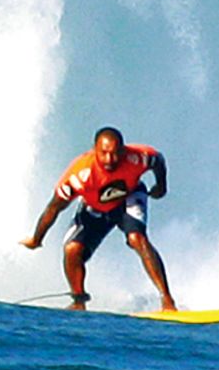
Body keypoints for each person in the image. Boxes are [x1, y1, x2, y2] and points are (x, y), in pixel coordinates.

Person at [24, 124, 176, 311]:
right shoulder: (79, 175)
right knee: (72, 250)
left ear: (123, 149)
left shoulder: (138, 157)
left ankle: (167, 300)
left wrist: (161, 186)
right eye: (103, 153)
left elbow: (158, 161)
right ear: (94, 149)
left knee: (137, 238)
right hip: (95, 206)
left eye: (115, 153)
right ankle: (79, 301)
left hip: (129, 197)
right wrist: (36, 239)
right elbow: (53, 208)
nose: (109, 159)